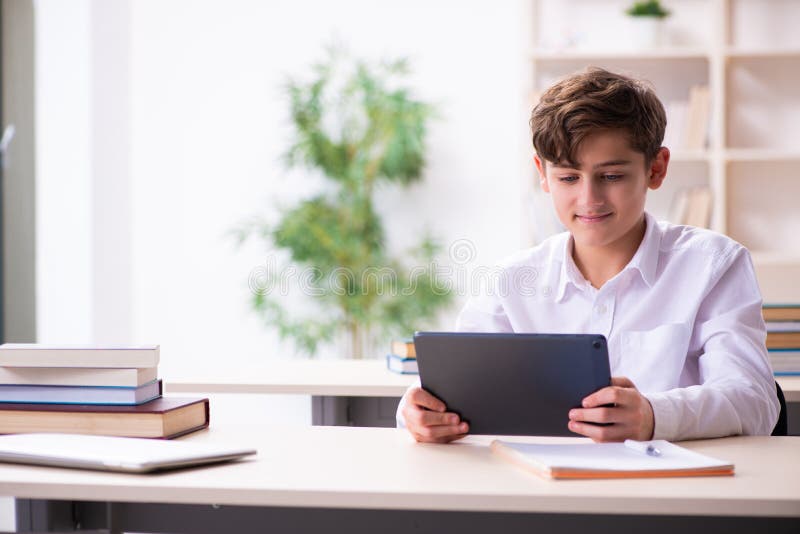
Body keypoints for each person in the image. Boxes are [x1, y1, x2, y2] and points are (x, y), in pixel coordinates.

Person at [397, 67, 779, 444]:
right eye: (567, 177)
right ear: (542, 175)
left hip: (670, 492)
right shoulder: (511, 280)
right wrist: (416, 413)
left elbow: (755, 401)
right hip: (540, 490)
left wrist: (653, 416)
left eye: (611, 176)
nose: (589, 199)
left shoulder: (713, 264)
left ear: (656, 169)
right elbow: (446, 391)